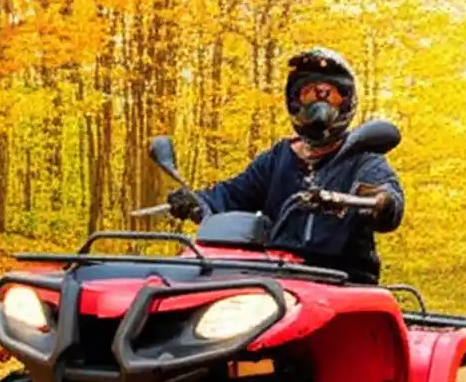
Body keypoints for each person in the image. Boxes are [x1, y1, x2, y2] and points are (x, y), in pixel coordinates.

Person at [166, 47, 404, 284]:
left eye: (329, 94)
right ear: (294, 100)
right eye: (309, 93)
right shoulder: (278, 158)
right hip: (280, 279)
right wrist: (198, 202)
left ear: (346, 103)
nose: (319, 103)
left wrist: (379, 202)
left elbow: (384, 194)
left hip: (343, 284)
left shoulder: (361, 158)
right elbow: (233, 194)